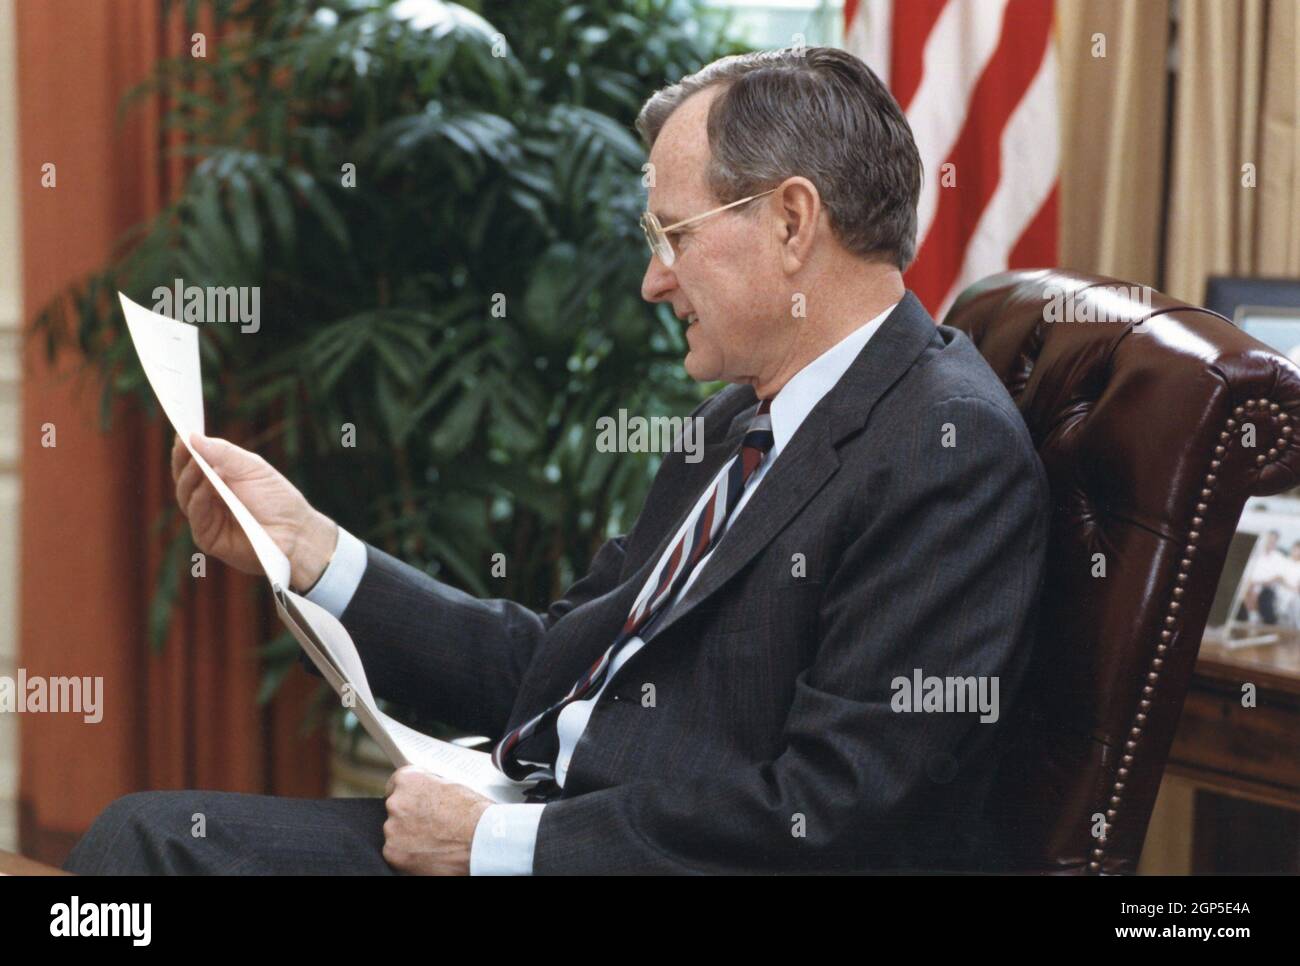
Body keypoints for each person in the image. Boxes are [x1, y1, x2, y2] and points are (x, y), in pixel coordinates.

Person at [64, 46, 1049, 875]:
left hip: (577, 855)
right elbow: (553, 667)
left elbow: (834, 811)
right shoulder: (733, 426)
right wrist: (313, 550)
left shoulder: (943, 450)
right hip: (543, 820)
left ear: (791, 222)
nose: (650, 279)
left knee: (145, 850)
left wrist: (502, 844)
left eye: (672, 234)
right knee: (145, 847)